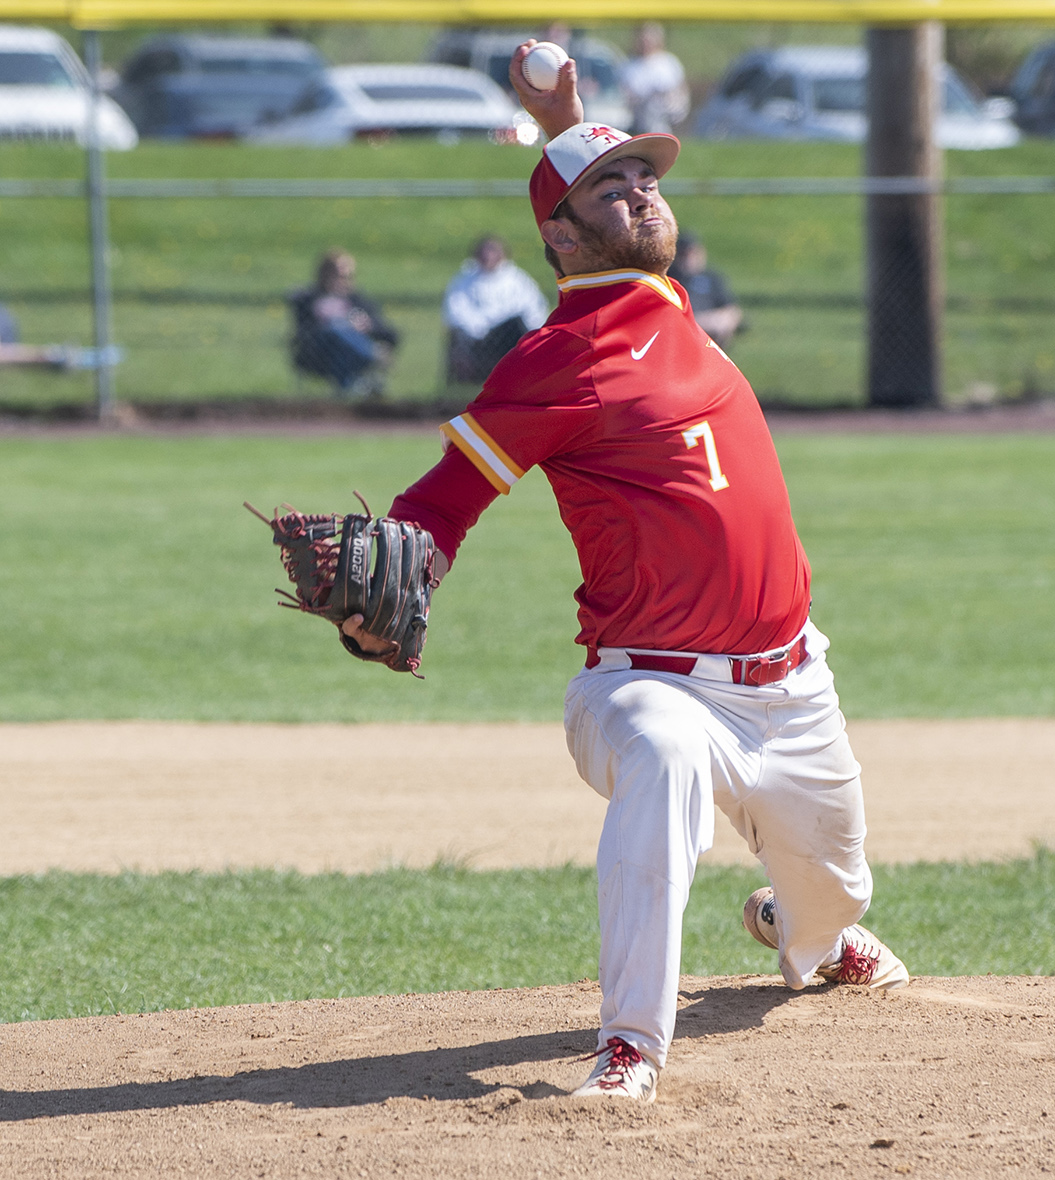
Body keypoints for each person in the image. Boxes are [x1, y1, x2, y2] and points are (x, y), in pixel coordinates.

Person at [342, 43, 907, 1104]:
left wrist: (568, 118)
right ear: (559, 236)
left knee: (837, 899)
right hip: (650, 684)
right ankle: (630, 1046)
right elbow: (444, 500)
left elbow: (605, 205)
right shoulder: (557, 359)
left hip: (793, 687)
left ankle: (808, 931)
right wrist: (380, 596)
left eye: (648, 177)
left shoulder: (667, 301)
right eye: (615, 187)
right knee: (666, 762)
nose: (643, 193)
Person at [442, 235, 550, 385]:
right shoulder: (464, 279)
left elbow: (532, 308)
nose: (488, 256)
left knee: (516, 324)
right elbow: (456, 310)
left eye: (493, 251)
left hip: (508, 334)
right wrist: (478, 328)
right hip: (476, 336)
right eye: (485, 252)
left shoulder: (517, 279)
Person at [290, 249, 399, 396]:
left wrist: (369, 326)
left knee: (342, 347)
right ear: (324, 275)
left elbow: (389, 333)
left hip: (347, 353)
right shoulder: (308, 299)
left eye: (349, 276)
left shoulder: (358, 301)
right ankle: (371, 354)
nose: (344, 281)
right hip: (319, 353)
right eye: (338, 276)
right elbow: (304, 331)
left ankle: (349, 388)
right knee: (335, 328)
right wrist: (340, 325)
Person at [668, 233, 743, 348]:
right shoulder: (671, 279)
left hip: (714, 329)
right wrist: (702, 321)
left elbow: (731, 308)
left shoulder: (712, 277)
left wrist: (723, 319)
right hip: (685, 331)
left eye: (694, 253)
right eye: (684, 254)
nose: (690, 258)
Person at [621, 23, 689, 134]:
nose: (645, 43)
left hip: (666, 108)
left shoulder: (668, 62)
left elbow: (680, 89)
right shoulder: (629, 65)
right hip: (638, 109)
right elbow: (625, 91)